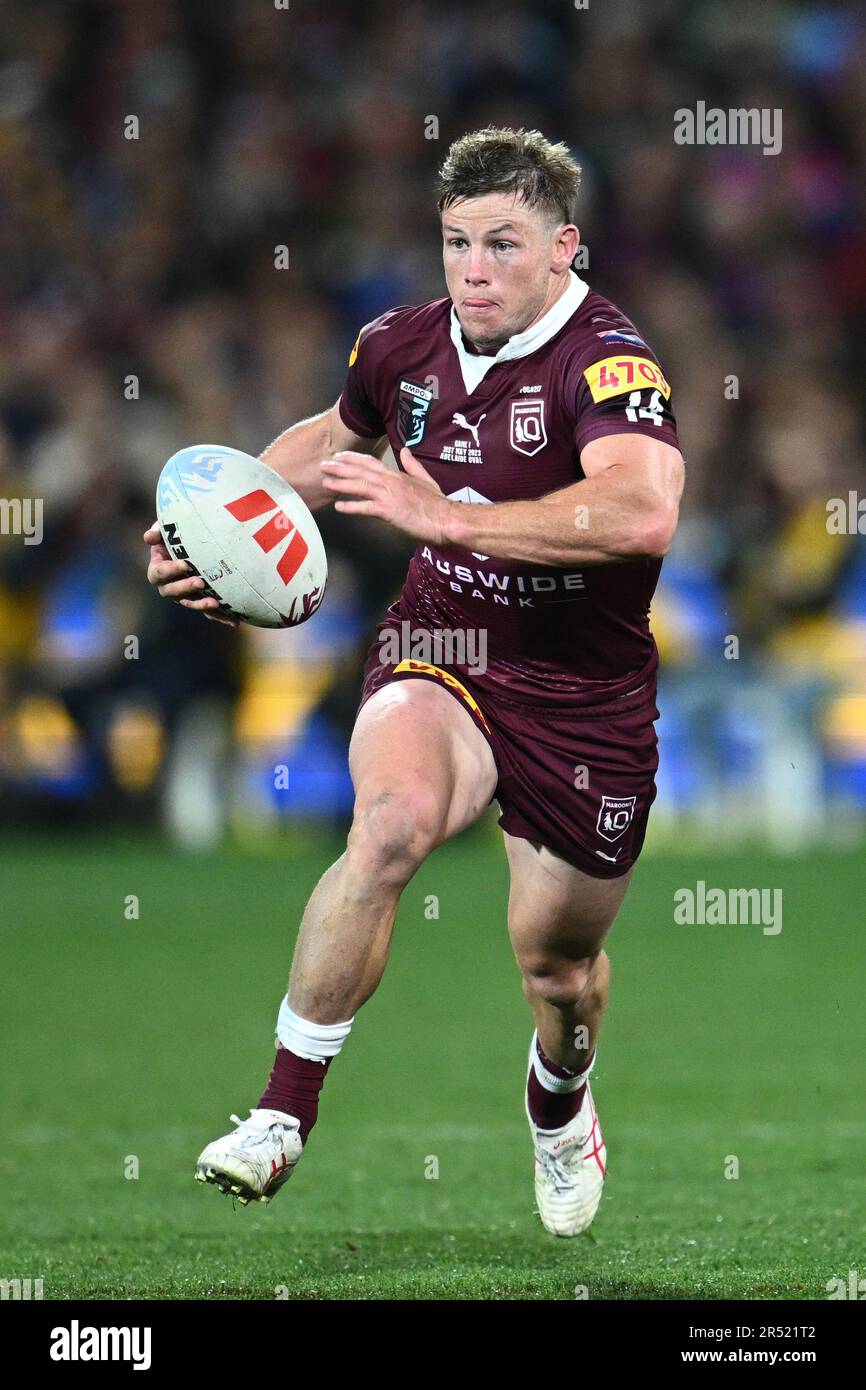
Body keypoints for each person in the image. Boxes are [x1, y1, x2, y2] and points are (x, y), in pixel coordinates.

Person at [144, 126, 684, 1237]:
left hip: (582, 691)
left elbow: (641, 510)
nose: (472, 268)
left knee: (559, 969)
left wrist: (439, 512)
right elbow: (331, 439)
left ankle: (558, 1098)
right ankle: (280, 1111)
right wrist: (212, 522)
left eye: (501, 243)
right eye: (454, 243)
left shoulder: (608, 363)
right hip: (441, 646)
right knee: (387, 825)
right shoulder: (397, 347)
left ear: (562, 249)